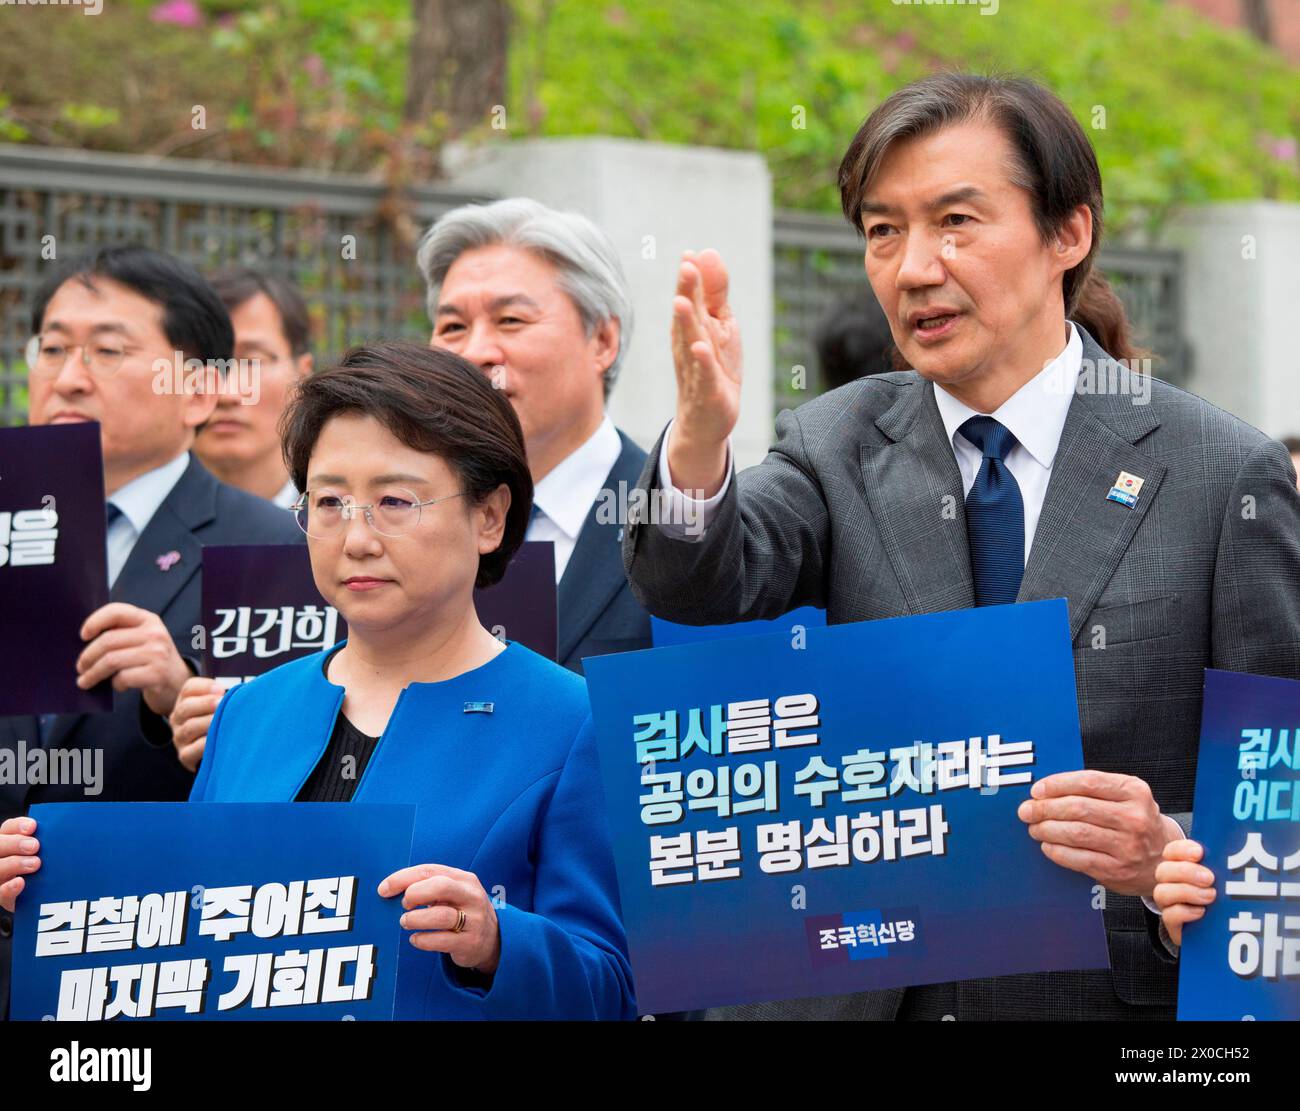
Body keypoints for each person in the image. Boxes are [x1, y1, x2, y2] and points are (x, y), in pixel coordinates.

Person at [622, 73, 1300, 1020]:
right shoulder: (833, 443)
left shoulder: (1222, 472)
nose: (912, 268)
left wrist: (1169, 854)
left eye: (956, 221)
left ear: (1069, 233)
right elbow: (700, 583)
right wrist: (697, 443)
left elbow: (1281, 790)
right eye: (882, 230)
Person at [4, 341, 636, 1019]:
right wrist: (58, 895)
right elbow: (191, 940)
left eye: (395, 501)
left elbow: (613, 986)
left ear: (489, 515)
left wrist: (496, 941)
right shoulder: (249, 711)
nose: (355, 537)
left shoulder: (573, 720)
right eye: (328, 501)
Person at [0, 245, 303, 1018]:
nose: (69, 375)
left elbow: (303, 792)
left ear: (199, 390)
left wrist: (182, 698)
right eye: (53, 346)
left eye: (107, 349)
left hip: (153, 969)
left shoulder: (273, 549)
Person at [417, 198, 652, 674]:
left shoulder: (678, 522)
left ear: (602, 341)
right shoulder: (405, 518)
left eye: (511, 320)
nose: (477, 352)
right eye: (453, 327)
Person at [195, 267, 315, 508]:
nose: (227, 394)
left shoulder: (342, 517)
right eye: (206, 362)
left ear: (302, 374)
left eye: (252, 362)